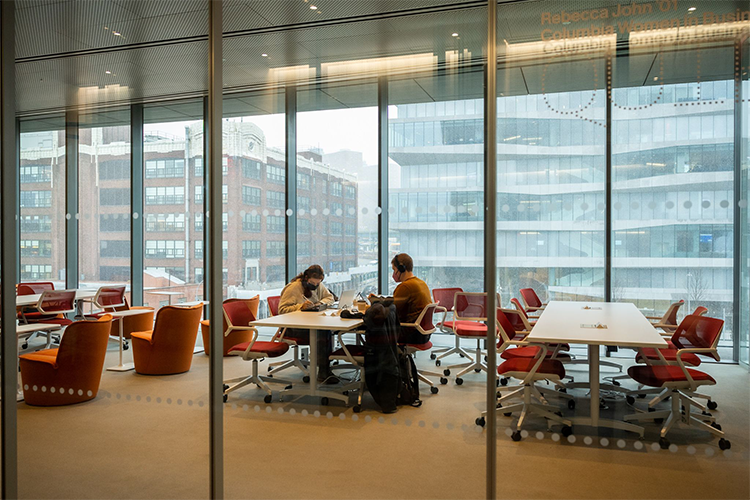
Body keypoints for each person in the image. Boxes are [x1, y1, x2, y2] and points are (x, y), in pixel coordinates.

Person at [279, 265, 337, 383]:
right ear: (306, 278)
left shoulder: (317, 285)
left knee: (325, 331)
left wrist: (319, 303)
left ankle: (324, 368)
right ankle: (323, 371)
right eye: (312, 283)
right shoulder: (294, 287)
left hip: (309, 323)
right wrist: (300, 306)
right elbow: (282, 310)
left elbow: (330, 297)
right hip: (292, 327)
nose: (315, 286)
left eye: (317, 283)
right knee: (322, 333)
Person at [390, 253, 432, 345]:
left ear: (401, 268)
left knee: (373, 327)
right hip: (422, 333)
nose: (393, 274)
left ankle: (374, 357)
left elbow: (391, 312)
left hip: (409, 334)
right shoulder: (421, 283)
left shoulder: (405, 286)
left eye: (394, 270)